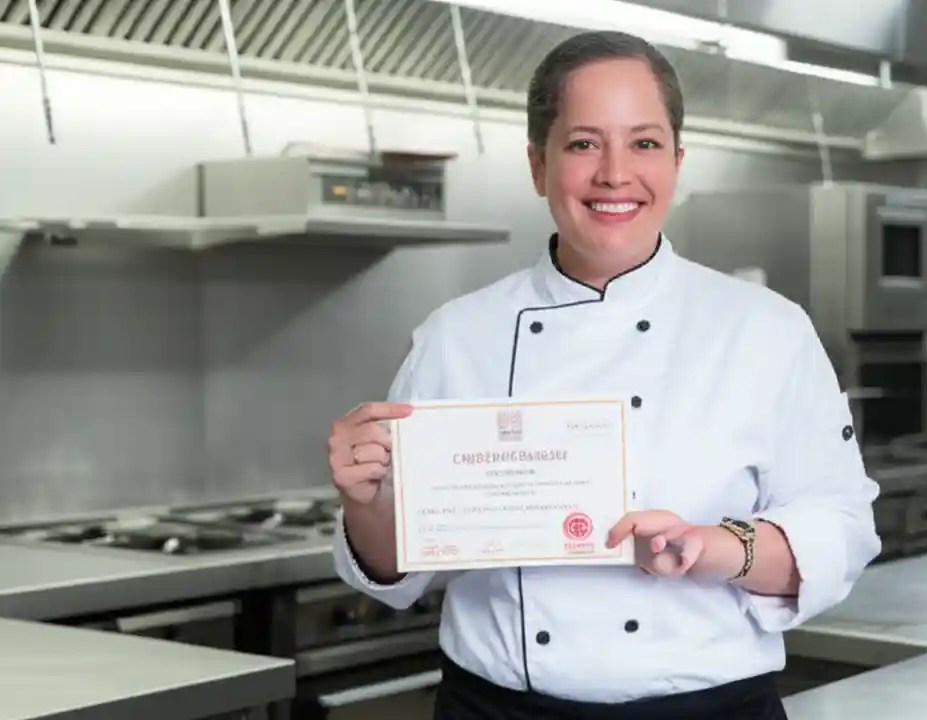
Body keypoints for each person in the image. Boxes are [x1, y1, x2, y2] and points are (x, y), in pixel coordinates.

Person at [327, 29, 881, 720]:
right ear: (538, 165)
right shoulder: (456, 336)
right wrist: (366, 504)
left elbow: (841, 530)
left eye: (644, 143)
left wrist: (715, 547)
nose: (616, 174)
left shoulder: (766, 330)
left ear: (677, 161)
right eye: (584, 143)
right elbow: (398, 570)